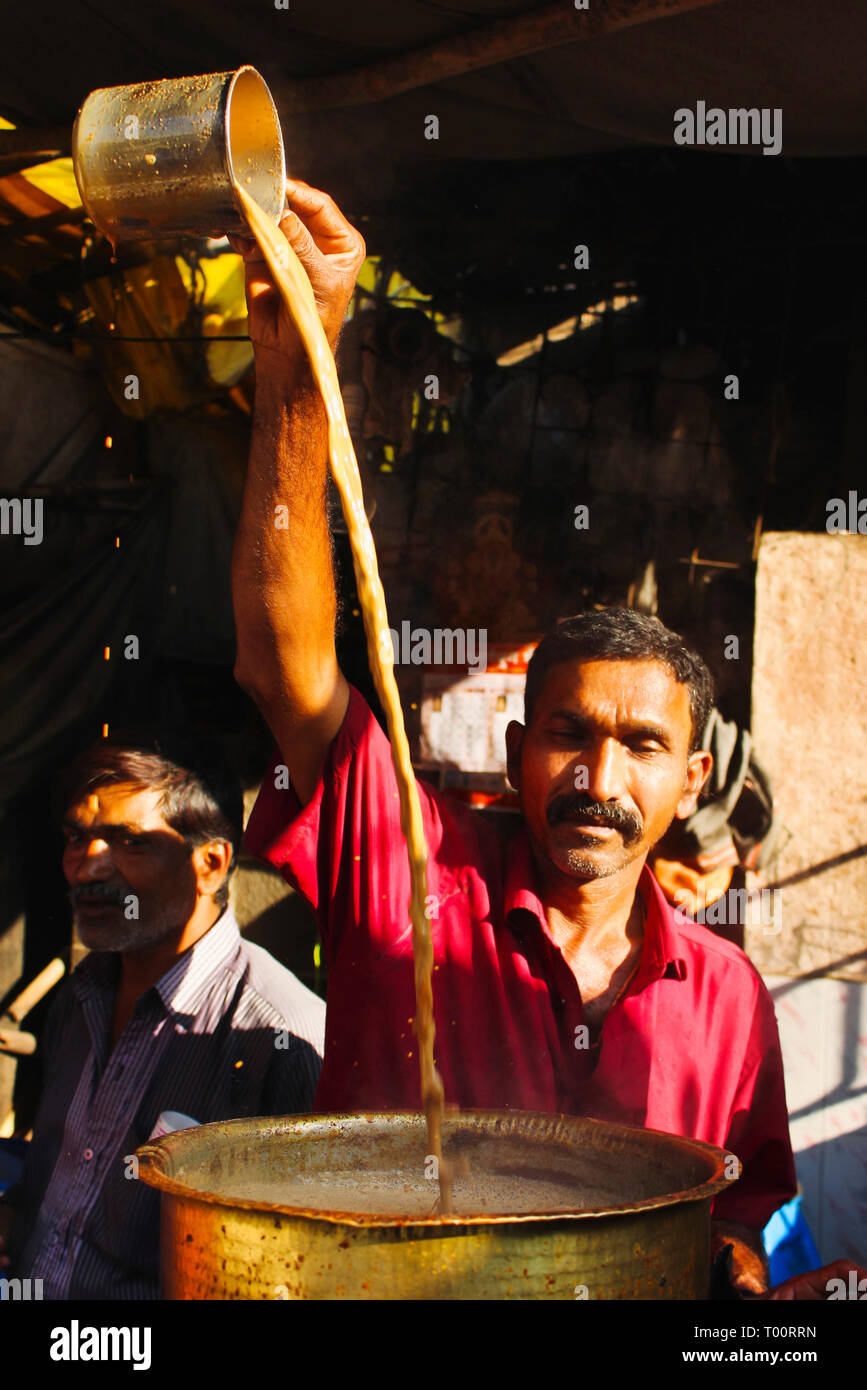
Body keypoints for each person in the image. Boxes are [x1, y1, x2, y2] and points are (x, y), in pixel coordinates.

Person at [229, 181, 859, 1300]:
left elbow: (737, 1232)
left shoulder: (725, 997)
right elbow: (285, 664)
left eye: (641, 746)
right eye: (566, 734)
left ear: (694, 777)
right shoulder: (409, 866)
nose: (598, 778)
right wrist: (296, 364)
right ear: (517, 747)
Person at [0, 730, 325, 1299]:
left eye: (127, 841)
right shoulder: (84, 992)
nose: (85, 867)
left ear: (211, 863)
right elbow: (53, 1194)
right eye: (76, 837)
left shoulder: (283, 1037)